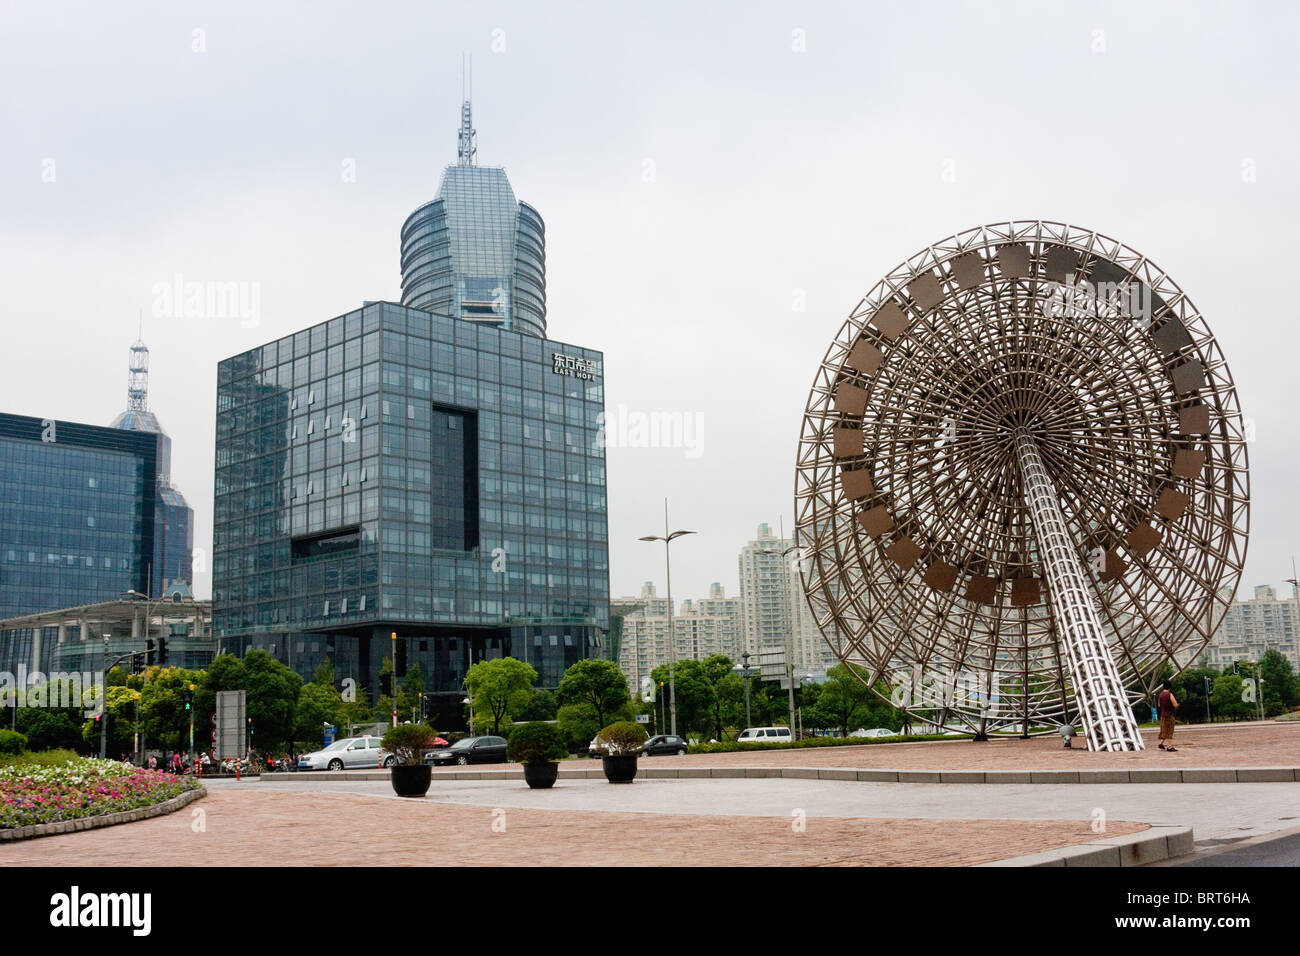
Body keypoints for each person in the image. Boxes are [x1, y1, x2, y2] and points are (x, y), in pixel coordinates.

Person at [1157, 682, 1179, 751]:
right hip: (1169, 715)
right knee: (1170, 730)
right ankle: (1169, 746)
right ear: (1170, 687)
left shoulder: (1160, 695)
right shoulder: (1169, 694)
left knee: (1164, 730)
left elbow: (1159, 705)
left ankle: (1161, 743)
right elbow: (1175, 704)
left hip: (1162, 716)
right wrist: (1177, 705)